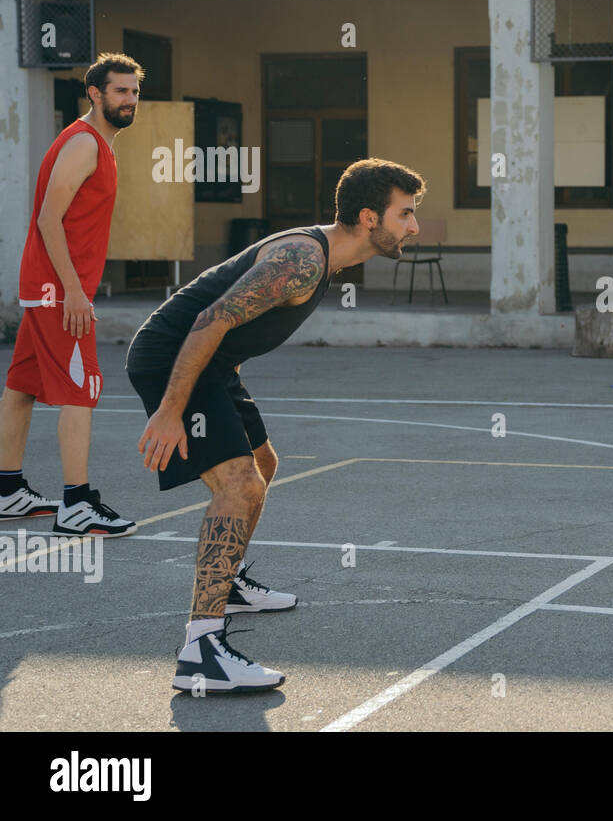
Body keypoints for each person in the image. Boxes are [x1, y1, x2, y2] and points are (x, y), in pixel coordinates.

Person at [126, 158, 425, 692]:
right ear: (367, 216)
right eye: (405, 214)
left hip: (213, 364)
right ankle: (201, 650)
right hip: (174, 357)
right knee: (239, 485)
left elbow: (237, 323)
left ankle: (229, 580)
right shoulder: (304, 259)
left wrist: (230, 388)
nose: (414, 226)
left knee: (264, 463)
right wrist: (172, 411)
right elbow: (210, 318)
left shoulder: (327, 259)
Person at [0, 53, 143, 537]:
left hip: (45, 289)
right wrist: (75, 293)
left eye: (135, 91)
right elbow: (47, 219)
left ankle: (7, 489)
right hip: (57, 292)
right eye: (120, 91)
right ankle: (76, 505)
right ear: (95, 94)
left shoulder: (96, 144)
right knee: (82, 390)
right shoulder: (84, 144)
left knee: (21, 387)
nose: (130, 100)